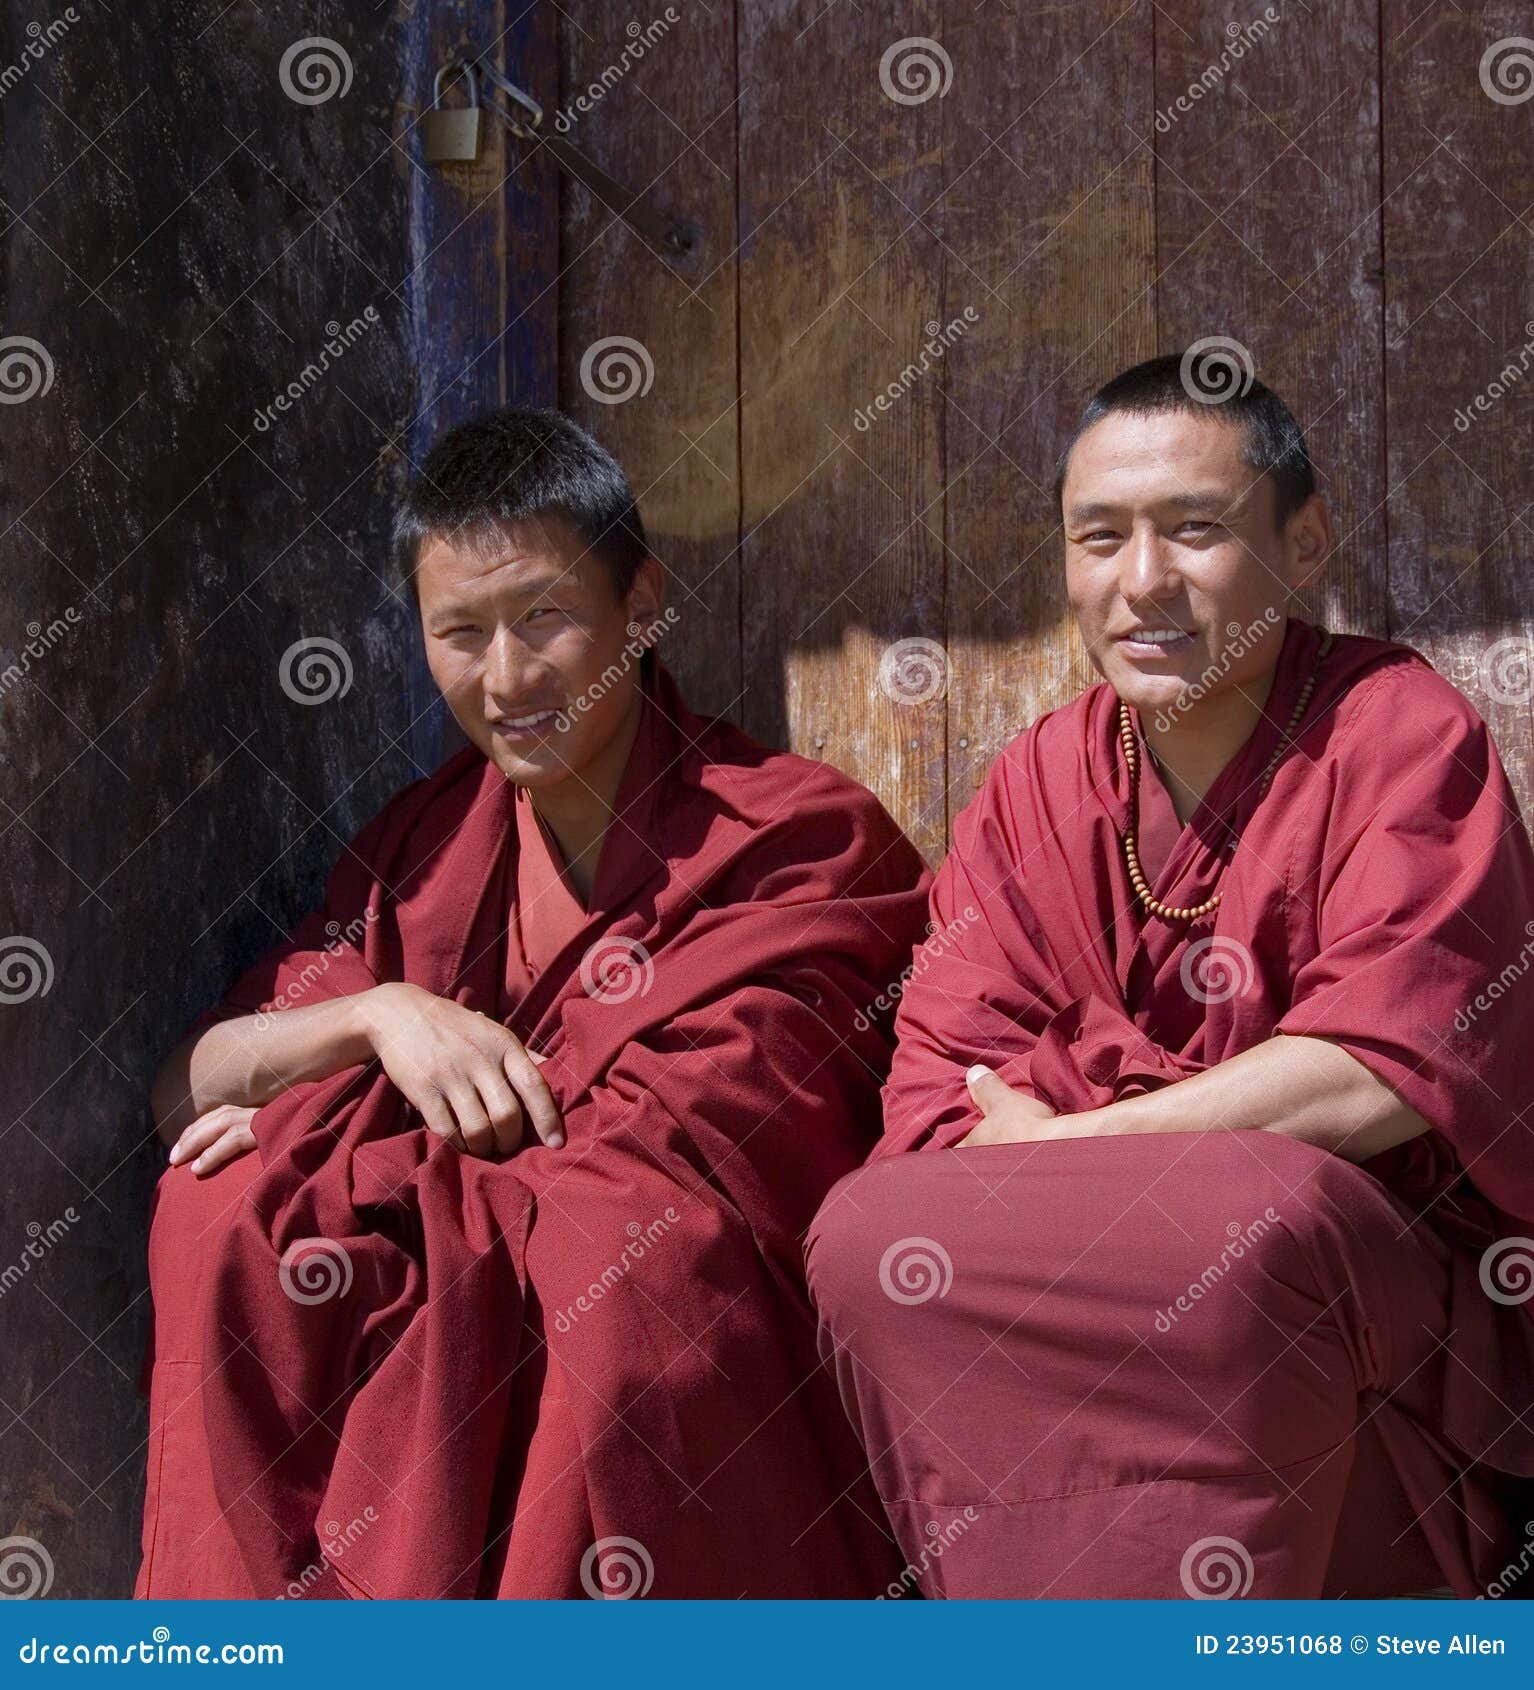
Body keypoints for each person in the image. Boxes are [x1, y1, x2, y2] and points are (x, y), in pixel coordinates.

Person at [137, 407, 930, 1599]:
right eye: (459, 632)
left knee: (627, 1271)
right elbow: (182, 1091)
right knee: (219, 1204)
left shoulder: (793, 841)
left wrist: (345, 1134)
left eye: (544, 619)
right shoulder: (422, 849)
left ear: (641, 605)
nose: (504, 678)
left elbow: (703, 1160)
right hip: (474, 1244)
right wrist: (382, 1019)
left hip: (664, 1319)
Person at [806, 352, 1534, 1600]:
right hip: (1110, 1270)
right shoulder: (1042, 778)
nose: (1142, 582)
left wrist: (1077, 1140)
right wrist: (1100, 1153)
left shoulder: (1397, 733)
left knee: (1254, 1219)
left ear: (1302, 545)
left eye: (1193, 531)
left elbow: (1385, 1072)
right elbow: (940, 1086)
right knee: (869, 1236)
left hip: (1359, 1293)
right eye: (1099, 539)